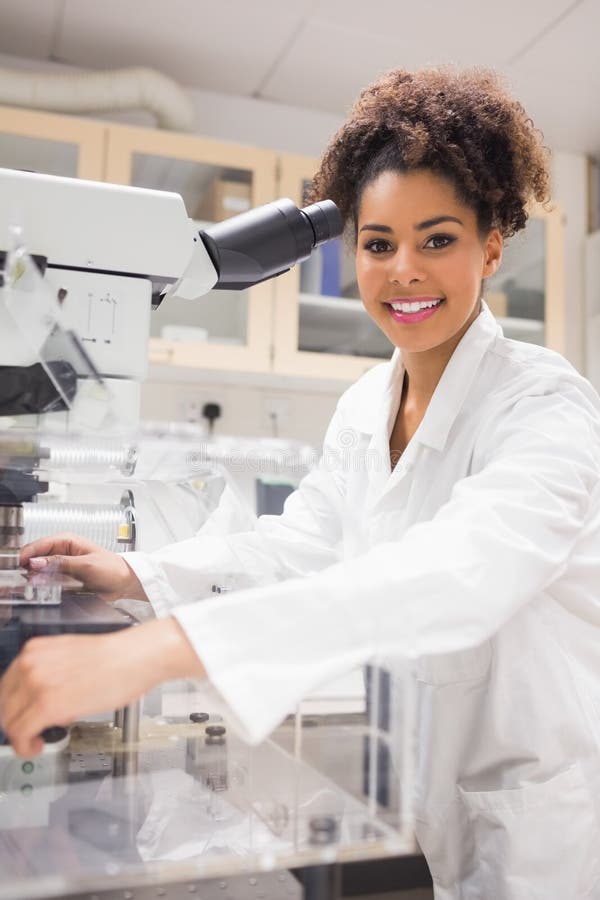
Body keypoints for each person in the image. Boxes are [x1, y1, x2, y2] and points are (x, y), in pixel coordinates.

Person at [2, 65, 600, 898]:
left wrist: (158, 650)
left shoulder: (544, 404)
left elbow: (459, 573)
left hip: (551, 820)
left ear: (491, 247)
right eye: (378, 244)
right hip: (450, 802)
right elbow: (301, 545)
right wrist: (137, 573)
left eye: (437, 240)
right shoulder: (364, 405)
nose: (402, 271)